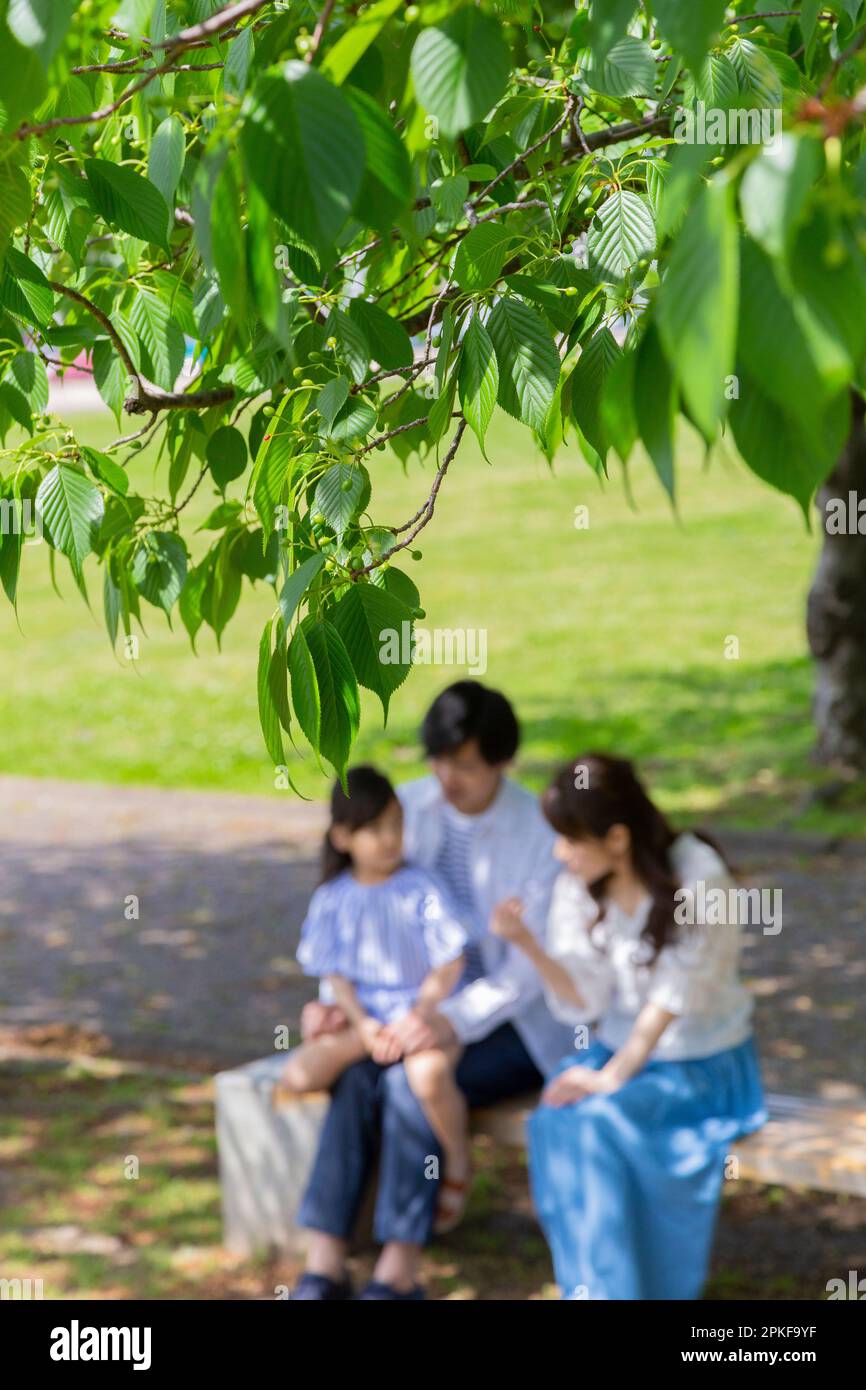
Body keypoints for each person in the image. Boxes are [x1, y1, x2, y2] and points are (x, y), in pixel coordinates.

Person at [289, 682, 572, 1300]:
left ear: (503, 761)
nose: (447, 777)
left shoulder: (538, 834)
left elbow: (527, 973)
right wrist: (336, 1005)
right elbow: (357, 906)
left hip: (512, 1023)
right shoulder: (406, 808)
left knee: (400, 1082)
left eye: (465, 765)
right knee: (360, 1075)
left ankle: (399, 1266)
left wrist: (449, 1020)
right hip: (406, 1009)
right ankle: (326, 1258)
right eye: (439, 760)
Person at [491, 753, 768, 1301]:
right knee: (556, 1121)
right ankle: (595, 1289)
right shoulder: (583, 884)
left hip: (698, 1065)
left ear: (616, 838)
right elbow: (585, 995)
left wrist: (611, 1079)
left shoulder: (699, 878)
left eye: (570, 840)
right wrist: (528, 945)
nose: (559, 852)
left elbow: (673, 999)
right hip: (620, 1054)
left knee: (597, 1124)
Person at [282, 765, 472, 1228]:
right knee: (299, 1073)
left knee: (426, 1076)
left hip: (423, 1017)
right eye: (374, 829)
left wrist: (421, 1013)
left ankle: (459, 1164)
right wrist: (362, 1025)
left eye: (395, 825)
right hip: (366, 1021)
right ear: (343, 837)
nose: (389, 839)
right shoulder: (334, 897)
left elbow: (449, 960)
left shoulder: (420, 888)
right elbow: (335, 972)